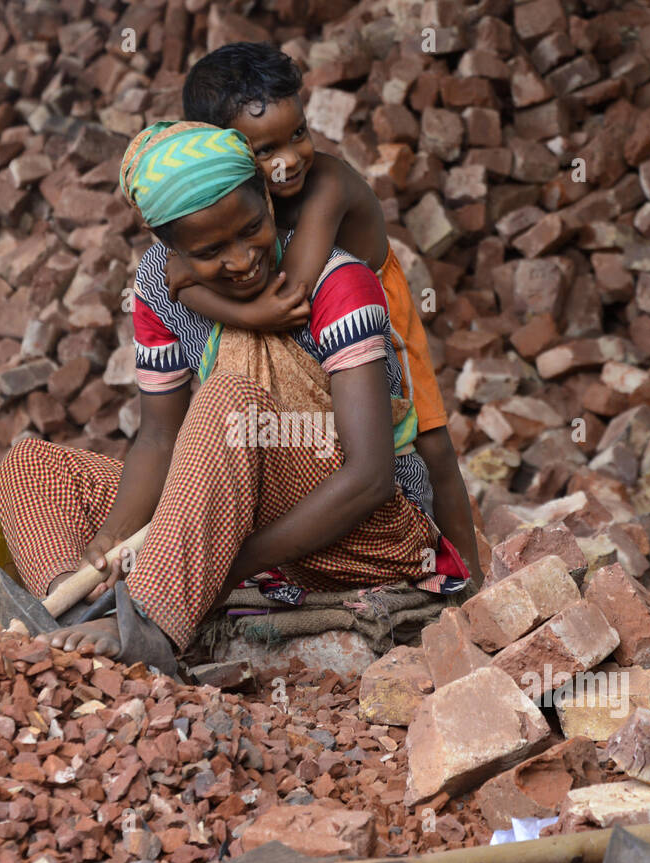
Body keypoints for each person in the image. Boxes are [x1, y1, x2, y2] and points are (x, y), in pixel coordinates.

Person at [0, 121, 471, 674]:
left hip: (365, 532)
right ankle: (76, 606)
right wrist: (111, 542)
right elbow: (158, 437)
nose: (243, 260)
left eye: (251, 230)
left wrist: (219, 563)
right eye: (210, 250)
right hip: (237, 503)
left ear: (269, 199)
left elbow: (370, 478)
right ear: (167, 250)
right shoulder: (156, 286)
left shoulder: (338, 282)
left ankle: (147, 621)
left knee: (229, 400)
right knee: (32, 465)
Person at [174, 42, 483, 587]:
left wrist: (190, 289)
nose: (288, 158)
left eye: (298, 134)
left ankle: (471, 581)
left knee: (429, 439)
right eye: (263, 149)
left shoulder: (326, 185)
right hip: (321, 337)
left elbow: (284, 296)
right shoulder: (236, 205)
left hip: (377, 317)